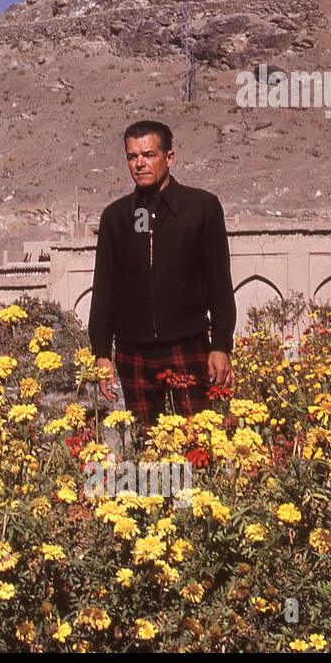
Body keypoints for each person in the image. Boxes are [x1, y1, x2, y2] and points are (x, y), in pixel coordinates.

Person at [87, 120, 237, 437]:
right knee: (148, 446)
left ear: (169, 157)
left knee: (198, 442)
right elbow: (104, 290)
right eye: (132, 156)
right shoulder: (115, 218)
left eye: (148, 154)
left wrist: (221, 345)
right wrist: (101, 353)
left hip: (188, 346)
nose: (139, 163)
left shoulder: (202, 208)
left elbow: (220, 283)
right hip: (133, 353)